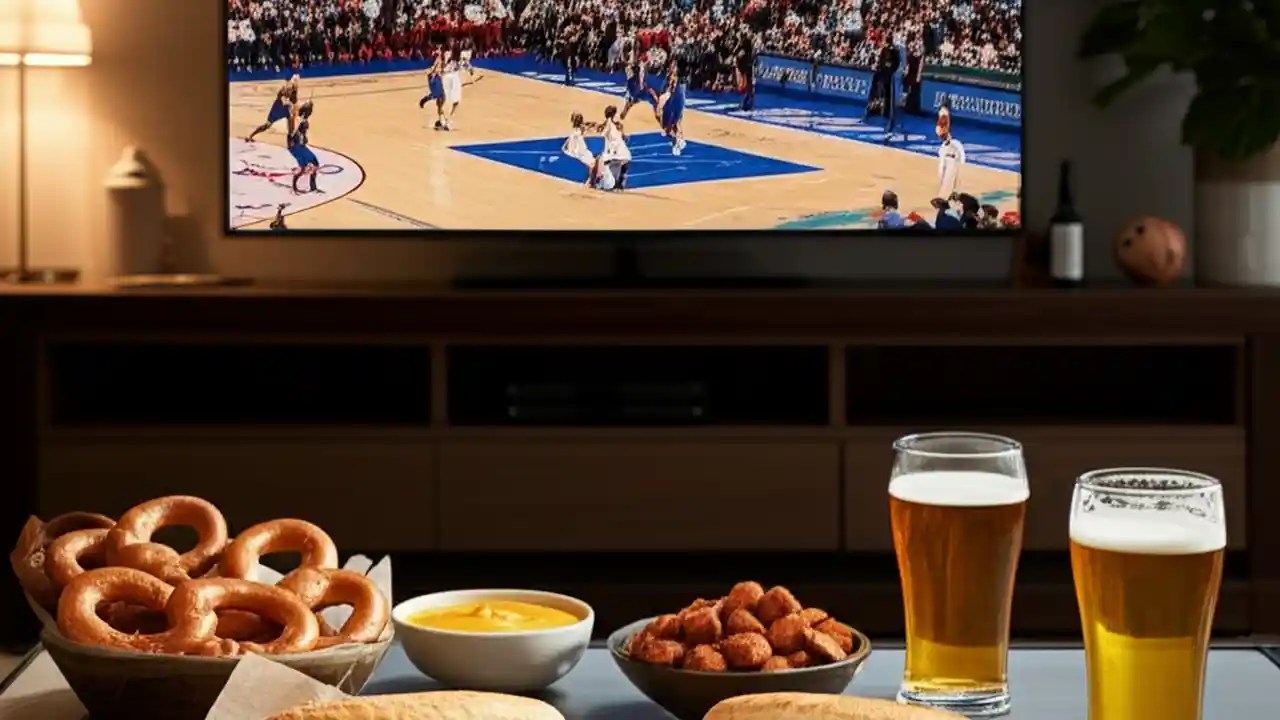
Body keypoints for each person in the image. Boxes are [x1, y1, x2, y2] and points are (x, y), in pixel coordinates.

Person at [245, 74, 301, 143]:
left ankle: (290, 140)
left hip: (286, 108)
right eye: (295, 82)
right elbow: (279, 97)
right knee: (267, 125)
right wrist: (286, 99)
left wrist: (292, 103)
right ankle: (251, 135)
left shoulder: (294, 92)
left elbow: (294, 101)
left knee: (291, 122)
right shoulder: (284, 88)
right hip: (278, 108)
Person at [288, 101, 321, 195]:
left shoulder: (302, 120)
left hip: (299, 146)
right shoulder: (302, 122)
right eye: (310, 110)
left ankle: (312, 186)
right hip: (297, 147)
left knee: (313, 164)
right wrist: (302, 139)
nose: (311, 112)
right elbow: (297, 134)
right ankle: (295, 186)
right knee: (307, 167)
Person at [656, 59, 688, 156]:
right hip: (669, 100)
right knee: (668, 121)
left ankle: (677, 143)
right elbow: (665, 89)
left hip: (674, 101)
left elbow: (677, 92)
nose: (672, 67)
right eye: (671, 65)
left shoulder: (679, 79)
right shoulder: (668, 77)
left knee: (676, 122)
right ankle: (679, 139)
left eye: (674, 66)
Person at [419, 45, 448, 130]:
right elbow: (433, 68)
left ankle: (440, 121)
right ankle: (443, 122)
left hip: (436, 77)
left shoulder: (441, 58)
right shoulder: (438, 58)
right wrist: (433, 74)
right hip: (434, 77)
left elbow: (441, 68)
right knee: (440, 96)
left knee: (440, 101)